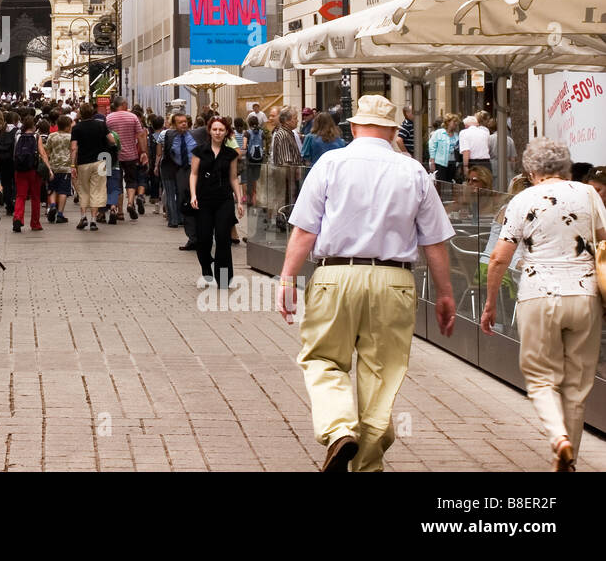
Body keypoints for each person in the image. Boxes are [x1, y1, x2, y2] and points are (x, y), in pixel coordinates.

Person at [277, 95, 456, 473]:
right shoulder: (413, 172)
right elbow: (434, 243)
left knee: (324, 359)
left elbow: (305, 231)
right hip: (394, 280)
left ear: (354, 127)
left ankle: (339, 428)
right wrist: (444, 294)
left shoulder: (330, 163)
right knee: (382, 373)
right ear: (393, 131)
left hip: (334, 274)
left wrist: (287, 279)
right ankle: (367, 467)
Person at [482, 138, 606, 471]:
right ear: (565, 166)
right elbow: (603, 241)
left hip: (539, 296)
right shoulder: (589, 194)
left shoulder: (523, 200)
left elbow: (498, 258)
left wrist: (491, 303)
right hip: (585, 297)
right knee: (577, 385)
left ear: (531, 170)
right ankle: (571, 460)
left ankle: (558, 439)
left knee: (541, 379)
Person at [189, 117, 244, 289]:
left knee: (223, 238)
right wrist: (193, 195)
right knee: (203, 238)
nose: (218, 133)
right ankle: (207, 268)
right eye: (215, 129)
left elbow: (233, 178)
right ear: (210, 131)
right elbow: (194, 174)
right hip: (204, 199)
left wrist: (239, 200)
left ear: (226, 132)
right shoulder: (199, 151)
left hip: (224, 200)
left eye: (221, 130)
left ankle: (224, 278)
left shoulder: (231, 154)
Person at [70, 103, 116, 232]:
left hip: (83, 162)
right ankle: (94, 221)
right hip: (100, 161)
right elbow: (112, 140)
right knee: (97, 190)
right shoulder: (101, 125)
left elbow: (74, 148)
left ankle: (83, 217)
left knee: (84, 190)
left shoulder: (77, 128)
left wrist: (73, 165)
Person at [105, 97, 148, 221]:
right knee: (131, 181)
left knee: (116, 183)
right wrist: (143, 152)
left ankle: (119, 211)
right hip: (131, 155)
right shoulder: (133, 117)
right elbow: (140, 135)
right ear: (123, 104)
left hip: (114, 156)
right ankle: (130, 203)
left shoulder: (109, 118)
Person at [11, 109, 45, 233]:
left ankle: (18, 218)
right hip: (34, 170)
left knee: (20, 195)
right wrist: (48, 168)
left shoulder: (18, 135)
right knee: (35, 197)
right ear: (34, 125)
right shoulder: (36, 136)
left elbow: (14, 152)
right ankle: (35, 223)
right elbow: (42, 153)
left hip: (20, 169)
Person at [44, 114, 74, 224]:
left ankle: (52, 205)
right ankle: (60, 214)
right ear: (66, 127)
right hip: (65, 167)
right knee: (63, 191)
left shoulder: (52, 136)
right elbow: (73, 150)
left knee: (52, 189)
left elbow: (47, 150)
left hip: (53, 166)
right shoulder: (70, 137)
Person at [428, 114, 461, 190]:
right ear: (448, 122)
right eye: (454, 122)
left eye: (457, 122)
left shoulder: (457, 135)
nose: (456, 124)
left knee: (450, 182)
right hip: (441, 162)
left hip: (453, 162)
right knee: (441, 182)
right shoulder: (439, 133)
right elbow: (432, 146)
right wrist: (432, 160)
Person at [458, 115, 491, 180]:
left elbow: (466, 150)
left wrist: (465, 166)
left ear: (466, 125)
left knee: (473, 185)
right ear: (477, 124)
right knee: (485, 184)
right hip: (486, 162)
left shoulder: (464, 133)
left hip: (473, 163)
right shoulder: (485, 132)